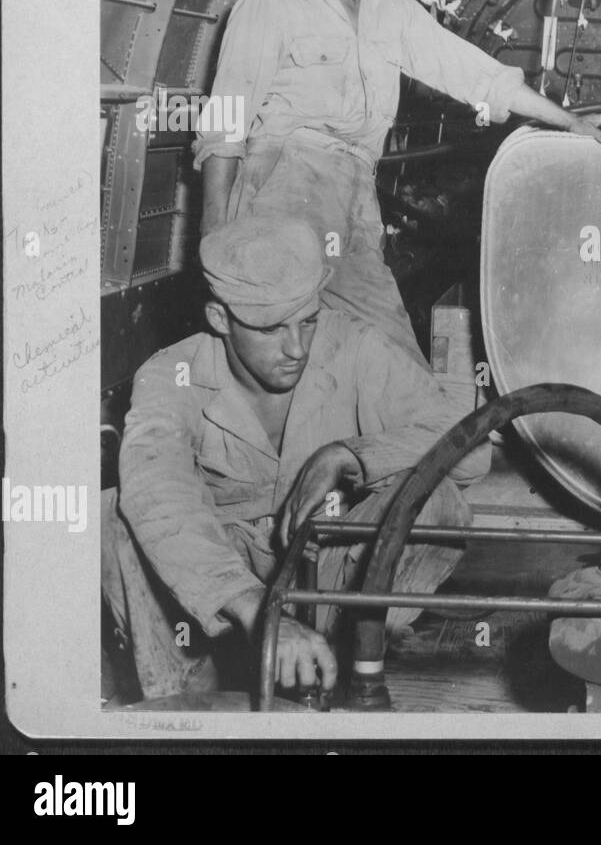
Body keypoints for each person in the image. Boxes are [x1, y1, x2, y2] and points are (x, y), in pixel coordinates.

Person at [195, 0, 601, 360]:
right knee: (347, 363)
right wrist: (215, 245)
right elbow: (224, 128)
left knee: (369, 364)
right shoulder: (269, 5)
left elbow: (479, 75)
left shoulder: (391, 10)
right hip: (281, 195)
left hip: (355, 195)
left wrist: (569, 121)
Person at [102, 216, 490, 702]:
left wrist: (350, 455)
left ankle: (349, 664)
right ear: (220, 318)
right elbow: (157, 489)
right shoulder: (171, 374)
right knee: (115, 513)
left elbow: (470, 451)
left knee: (438, 503)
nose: (296, 348)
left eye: (307, 320)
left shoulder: (355, 346)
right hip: (216, 590)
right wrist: (257, 610)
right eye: (270, 329)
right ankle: (185, 704)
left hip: (329, 574)